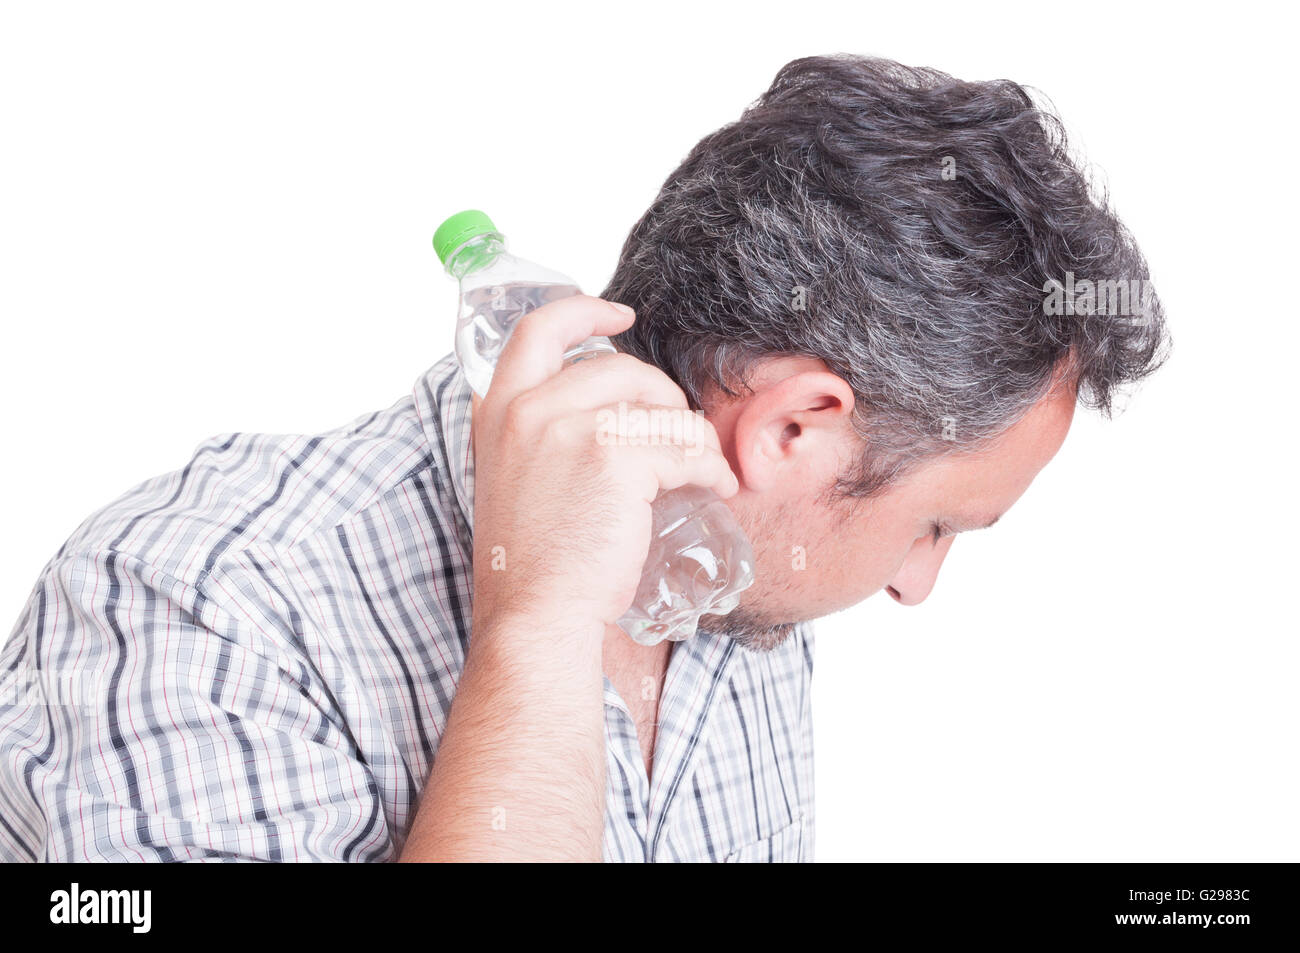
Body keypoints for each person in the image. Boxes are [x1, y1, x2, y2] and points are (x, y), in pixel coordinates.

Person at [0, 54, 1166, 862]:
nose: (918, 583)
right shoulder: (197, 605)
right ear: (792, 428)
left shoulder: (743, 593)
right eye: (937, 525)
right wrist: (540, 625)